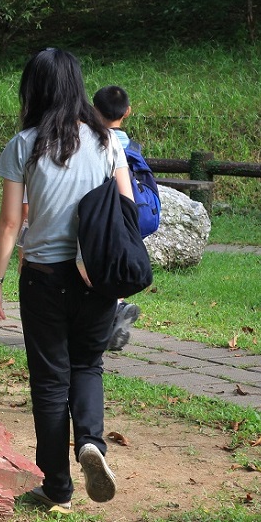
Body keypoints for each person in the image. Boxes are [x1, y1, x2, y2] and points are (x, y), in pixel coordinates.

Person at [0, 48, 131, 513]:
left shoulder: (24, 144)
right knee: (89, 365)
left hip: (43, 277)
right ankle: (91, 443)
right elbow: (127, 209)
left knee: (49, 382)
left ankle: (56, 489)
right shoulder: (108, 141)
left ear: (35, 89)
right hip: (96, 277)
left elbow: (8, 224)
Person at [92, 85, 143, 352]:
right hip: (128, 214)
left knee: (96, 270)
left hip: (101, 213)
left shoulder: (97, 140)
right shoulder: (131, 145)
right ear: (128, 112)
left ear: (93, 110)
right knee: (116, 267)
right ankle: (119, 306)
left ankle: (111, 313)